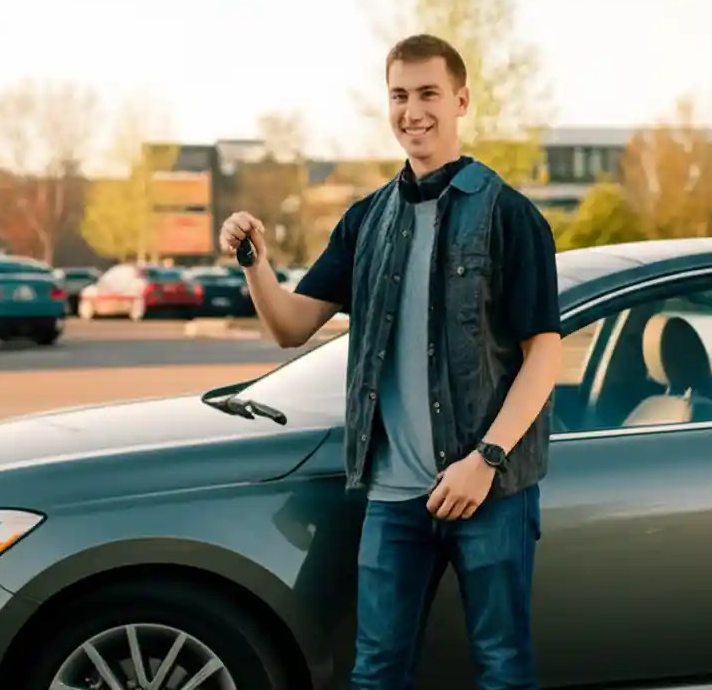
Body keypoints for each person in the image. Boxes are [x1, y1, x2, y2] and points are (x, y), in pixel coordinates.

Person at [218, 33, 563, 690]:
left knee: (504, 669)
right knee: (376, 673)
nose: (414, 111)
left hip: (489, 491)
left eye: (428, 93)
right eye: (400, 95)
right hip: (393, 496)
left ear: (461, 100)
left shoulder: (509, 217)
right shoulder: (367, 220)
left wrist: (484, 460)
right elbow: (291, 327)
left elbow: (543, 358)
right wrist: (254, 261)